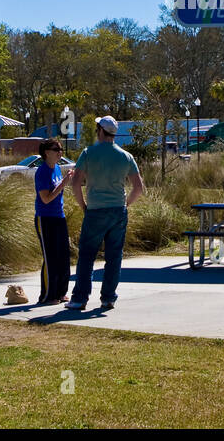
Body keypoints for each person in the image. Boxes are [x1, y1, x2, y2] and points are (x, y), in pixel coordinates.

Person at [65, 116, 143, 311]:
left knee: (87, 255)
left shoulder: (88, 153)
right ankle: (108, 298)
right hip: (118, 210)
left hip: (95, 209)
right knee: (114, 256)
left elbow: (76, 183)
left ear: (100, 130)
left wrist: (83, 204)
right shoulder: (126, 156)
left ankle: (80, 298)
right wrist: (126, 204)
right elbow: (138, 187)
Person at [32, 138, 70, 304]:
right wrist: (63, 184)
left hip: (59, 217)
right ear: (47, 153)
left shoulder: (57, 170)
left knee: (63, 255)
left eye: (61, 149)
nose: (60, 152)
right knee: (50, 257)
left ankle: (61, 292)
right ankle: (48, 295)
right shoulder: (42, 172)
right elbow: (46, 198)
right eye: (56, 149)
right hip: (45, 218)